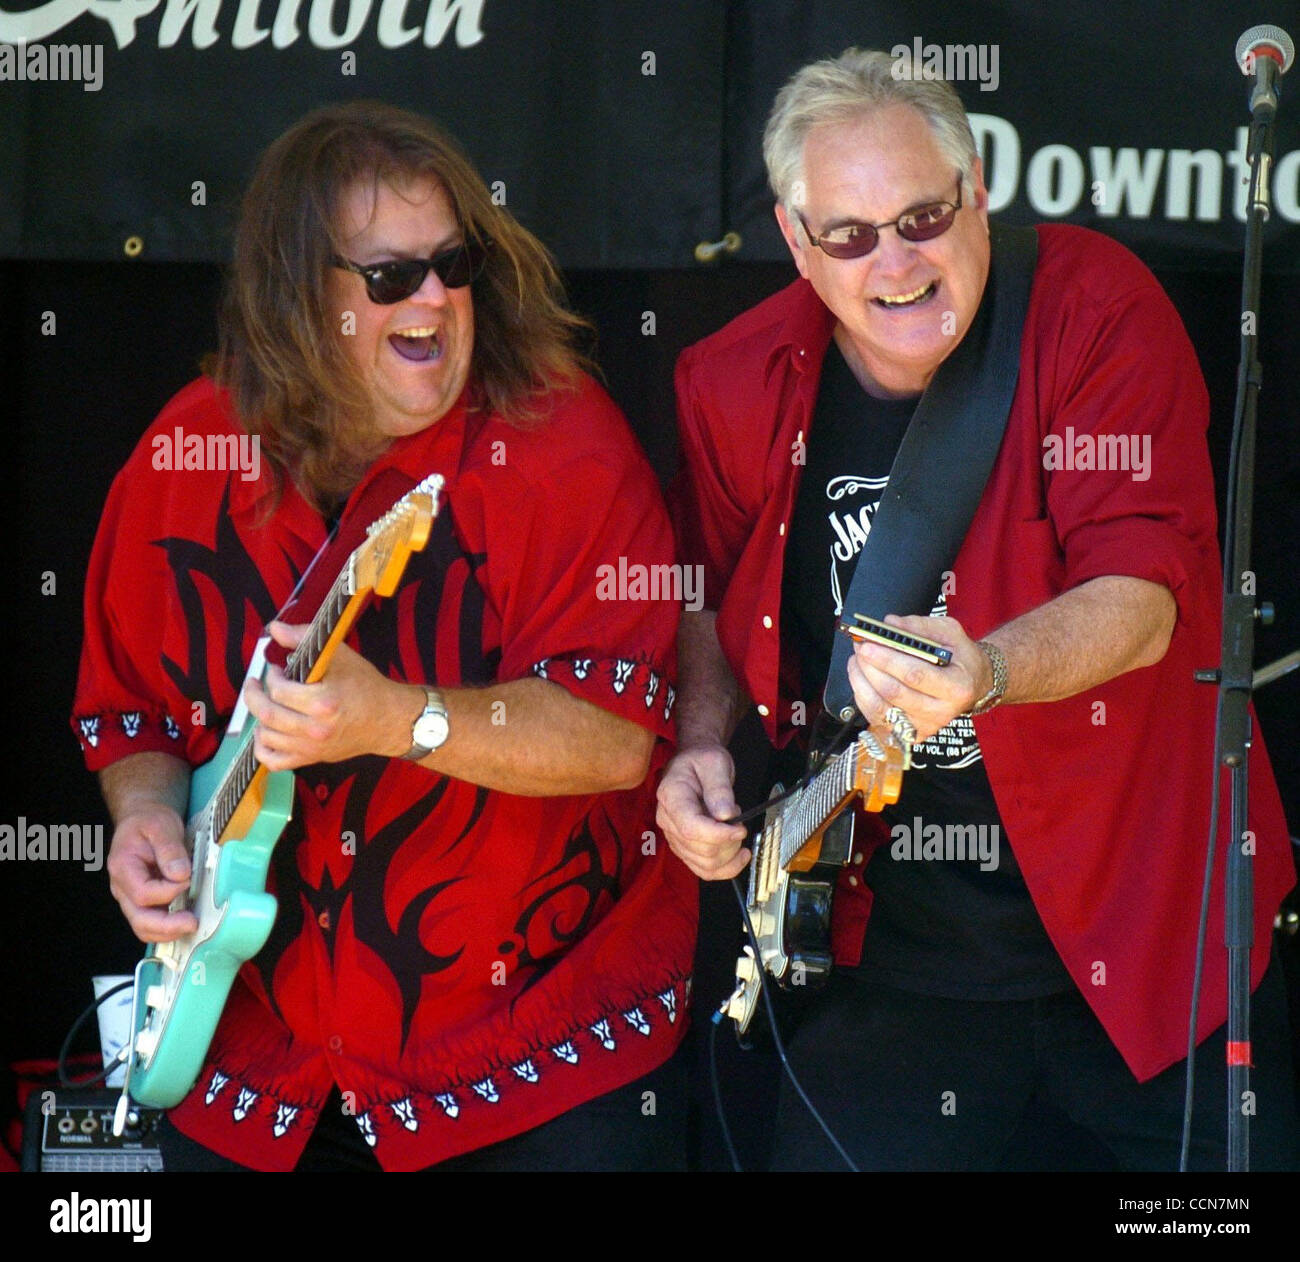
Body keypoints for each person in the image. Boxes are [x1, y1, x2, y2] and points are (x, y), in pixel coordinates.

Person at [659, 47, 1298, 1171]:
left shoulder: (1095, 311)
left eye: (921, 216)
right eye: (848, 234)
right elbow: (707, 591)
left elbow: (1145, 595)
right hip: (891, 960)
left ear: (977, 197)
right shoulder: (731, 379)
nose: (894, 261)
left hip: (1140, 936)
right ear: (798, 243)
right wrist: (701, 741)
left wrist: (986, 666)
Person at [72, 101, 696, 1172]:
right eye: (390, 275)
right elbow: (127, 709)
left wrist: (398, 717)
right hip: (254, 1051)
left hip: (526, 1050)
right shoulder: (186, 447)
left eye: (454, 264)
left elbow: (612, 735)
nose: (438, 298)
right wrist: (143, 819)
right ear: (296, 294)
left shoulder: (558, 443)